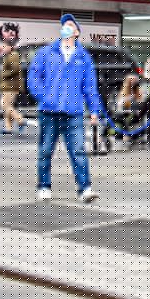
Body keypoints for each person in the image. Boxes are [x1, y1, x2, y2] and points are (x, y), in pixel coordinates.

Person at [27, 14, 103, 203]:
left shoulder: (83, 57)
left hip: (73, 112)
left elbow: (90, 86)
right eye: (64, 25)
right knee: (45, 150)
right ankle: (44, 186)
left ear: (77, 32)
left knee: (78, 150)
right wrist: (45, 96)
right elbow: (34, 77)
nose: (66, 27)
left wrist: (94, 110)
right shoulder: (46, 53)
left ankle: (85, 189)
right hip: (48, 112)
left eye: (70, 25)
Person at [0, 39, 29, 134]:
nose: (2, 48)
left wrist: (3, 74)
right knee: (8, 106)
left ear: (10, 47)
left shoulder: (13, 55)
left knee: (4, 105)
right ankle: (8, 128)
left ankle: (20, 120)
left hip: (11, 86)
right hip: (8, 85)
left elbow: (15, 69)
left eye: (4, 46)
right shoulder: (8, 55)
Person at [114, 74, 148, 149]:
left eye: (135, 81)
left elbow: (142, 104)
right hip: (125, 113)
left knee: (122, 117)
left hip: (135, 115)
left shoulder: (139, 93)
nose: (133, 83)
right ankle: (125, 136)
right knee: (118, 116)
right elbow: (120, 105)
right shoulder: (123, 93)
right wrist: (128, 99)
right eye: (131, 81)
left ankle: (126, 136)